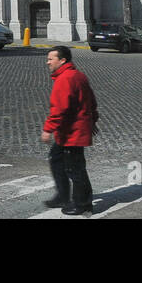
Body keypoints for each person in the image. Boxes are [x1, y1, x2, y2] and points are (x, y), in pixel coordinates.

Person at [42, 45, 98, 216]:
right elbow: (91, 101)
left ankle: (83, 204)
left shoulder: (65, 79)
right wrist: (92, 120)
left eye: (51, 59)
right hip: (72, 130)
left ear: (63, 60)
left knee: (75, 168)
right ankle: (63, 195)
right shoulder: (78, 75)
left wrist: (47, 130)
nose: (48, 62)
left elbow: (60, 109)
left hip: (72, 132)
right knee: (56, 159)